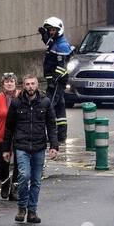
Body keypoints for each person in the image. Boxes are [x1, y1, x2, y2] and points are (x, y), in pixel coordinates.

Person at [0, 73, 59, 224]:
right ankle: (21, 208)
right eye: (27, 84)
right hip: (22, 146)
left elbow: (51, 126)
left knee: (36, 181)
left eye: (33, 84)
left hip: (39, 146)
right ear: (23, 86)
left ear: (37, 85)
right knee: (24, 176)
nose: (30, 87)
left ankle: (32, 210)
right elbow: (9, 128)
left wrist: (53, 146)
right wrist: (6, 149)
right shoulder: (16, 103)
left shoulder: (45, 102)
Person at [39, 17, 73, 145]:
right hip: (55, 81)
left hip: (56, 82)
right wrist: (44, 36)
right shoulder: (56, 41)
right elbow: (51, 45)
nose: (51, 32)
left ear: (59, 29)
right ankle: (61, 135)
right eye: (49, 30)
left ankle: (48, 135)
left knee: (48, 107)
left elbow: (61, 66)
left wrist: (53, 80)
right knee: (60, 108)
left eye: (53, 30)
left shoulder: (62, 45)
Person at [0, 72, 20, 200]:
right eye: (7, 82)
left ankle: (15, 188)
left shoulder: (21, 96)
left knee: (19, 162)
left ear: (15, 83)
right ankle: (5, 182)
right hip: (2, 136)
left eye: (11, 81)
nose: (9, 83)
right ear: (3, 84)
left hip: (19, 135)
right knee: (2, 163)